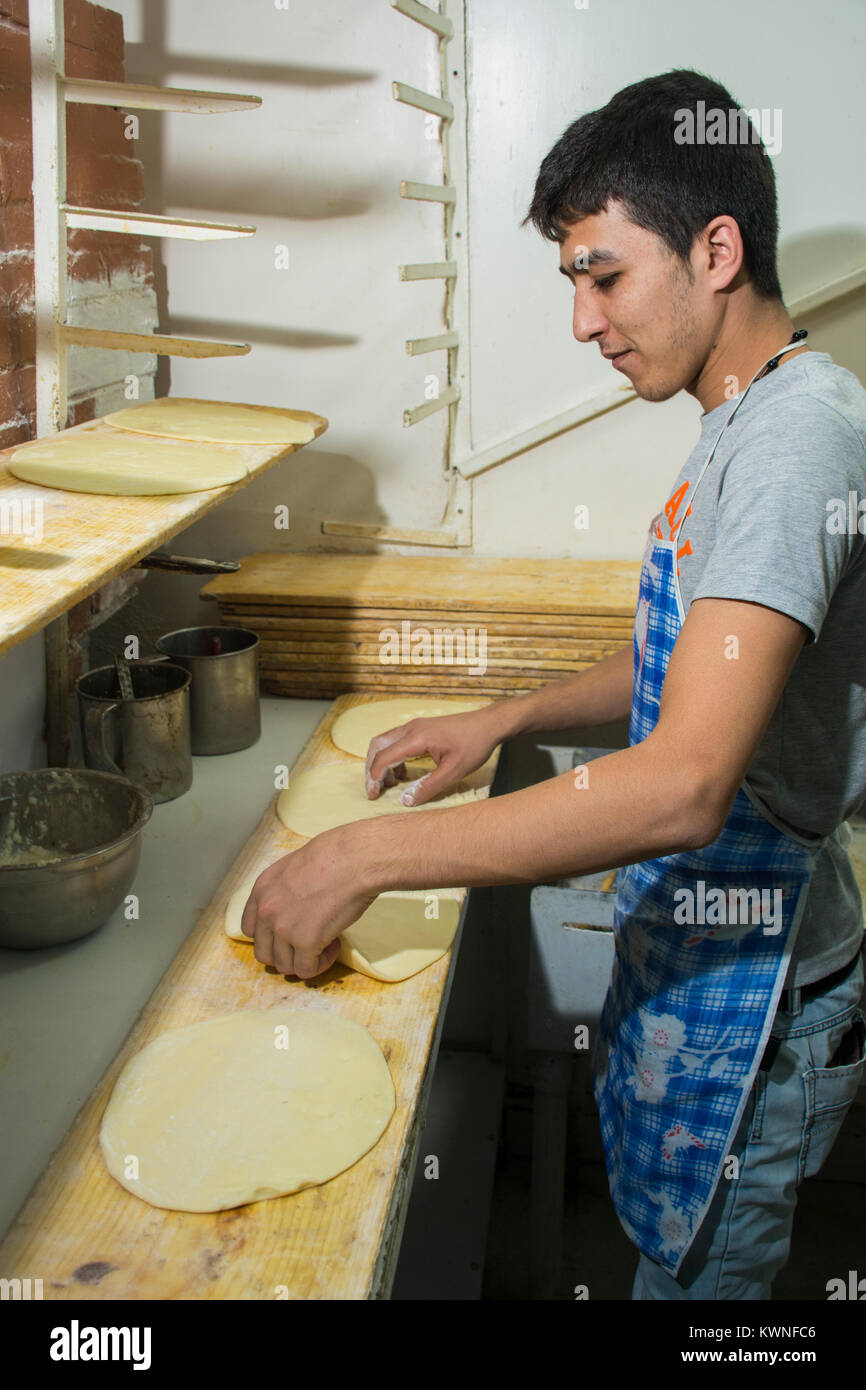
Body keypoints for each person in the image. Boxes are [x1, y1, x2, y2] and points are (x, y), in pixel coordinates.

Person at [241, 69, 866, 1300]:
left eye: (604, 274)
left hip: (760, 997)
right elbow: (695, 660)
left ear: (716, 248)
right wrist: (505, 717)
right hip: (705, 960)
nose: (583, 321)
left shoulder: (799, 439)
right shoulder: (746, 421)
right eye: (573, 282)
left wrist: (358, 858)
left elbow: (686, 783)